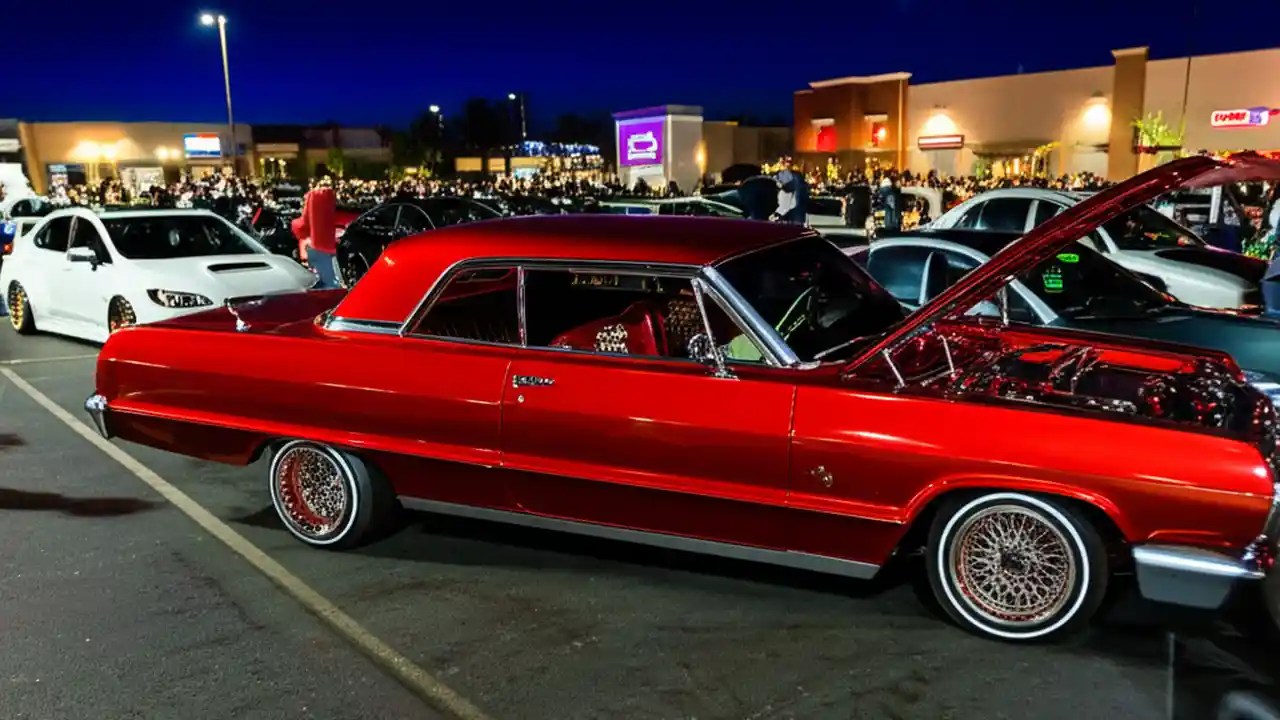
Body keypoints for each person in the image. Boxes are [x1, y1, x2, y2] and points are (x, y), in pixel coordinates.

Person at [294, 179, 340, 289]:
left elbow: (304, 224)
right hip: (332, 247)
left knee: (323, 285)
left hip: (317, 247)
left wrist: (294, 225)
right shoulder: (332, 199)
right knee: (333, 283)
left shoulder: (313, 196)